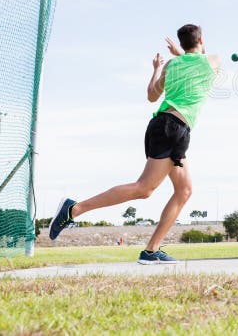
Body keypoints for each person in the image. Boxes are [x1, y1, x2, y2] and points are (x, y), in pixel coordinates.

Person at [48, 24, 219, 264]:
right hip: (174, 129)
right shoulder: (211, 61)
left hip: (162, 124)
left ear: (181, 44)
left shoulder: (171, 66)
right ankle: (74, 209)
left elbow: (151, 95)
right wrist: (180, 55)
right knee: (144, 188)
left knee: (184, 190)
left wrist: (157, 69)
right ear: (201, 39)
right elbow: (197, 60)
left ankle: (151, 250)